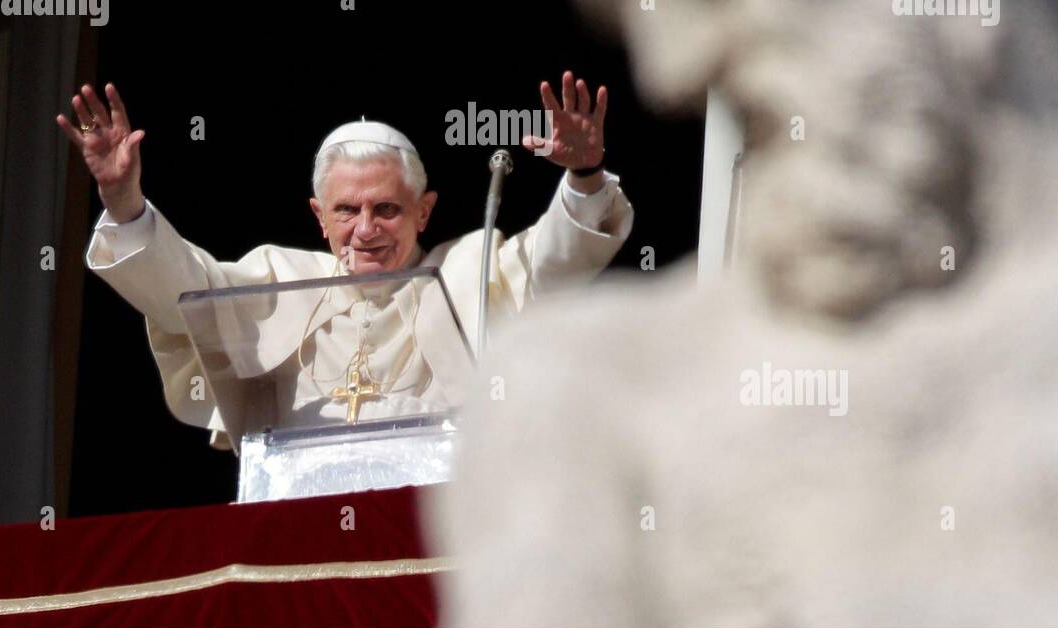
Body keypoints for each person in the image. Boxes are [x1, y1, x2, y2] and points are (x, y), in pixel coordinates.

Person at [55, 74, 633, 449]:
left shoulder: (468, 270)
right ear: (319, 217)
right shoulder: (281, 281)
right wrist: (123, 201)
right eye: (346, 211)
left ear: (424, 211)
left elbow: (557, 261)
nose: (365, 230)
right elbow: (184, 296)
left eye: (386, 209)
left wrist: (583, 175)